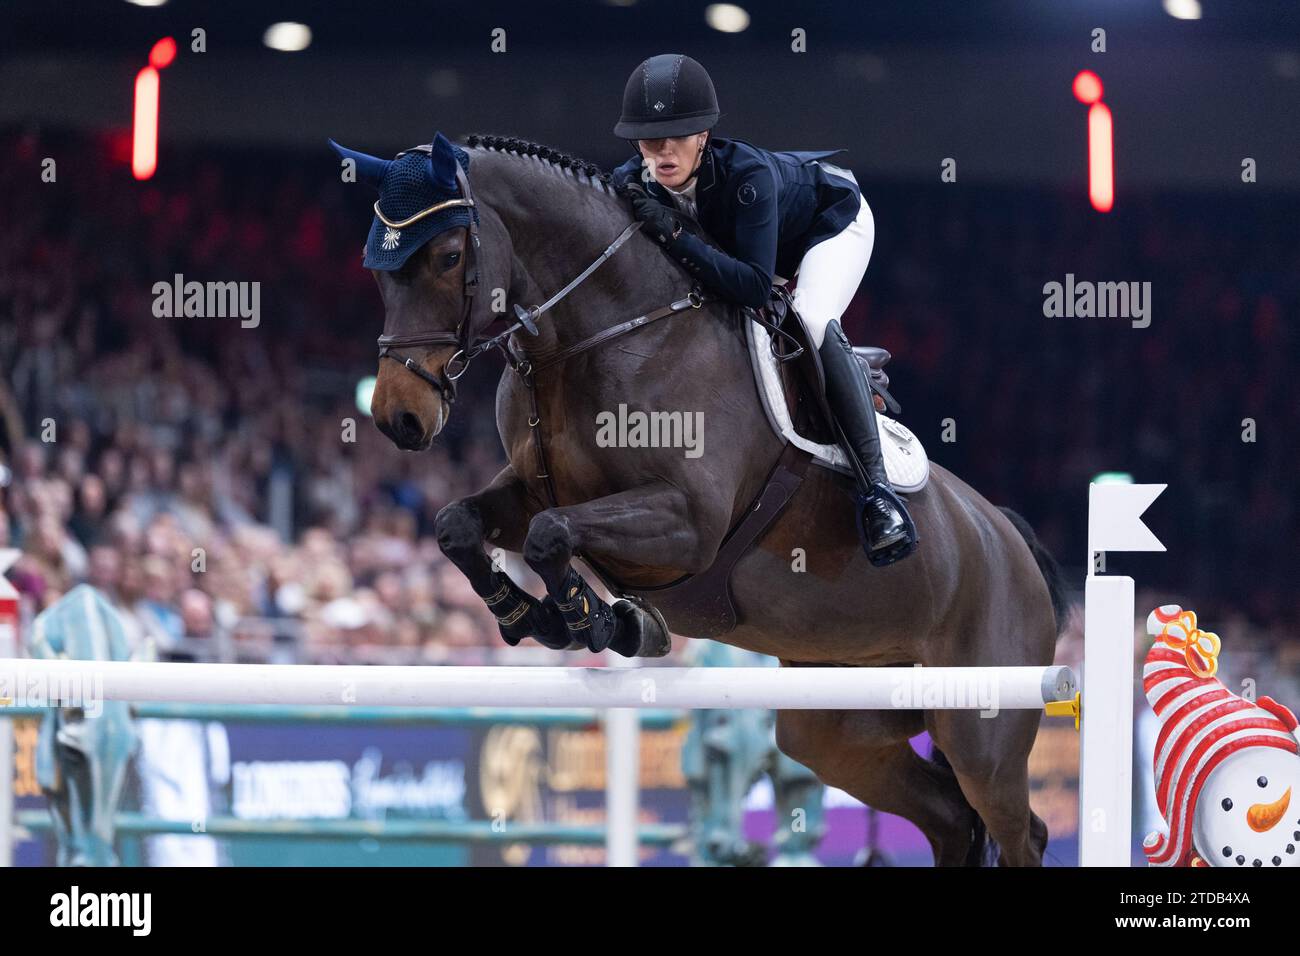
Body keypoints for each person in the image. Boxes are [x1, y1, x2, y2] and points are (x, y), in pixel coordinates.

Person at [609, 53, 915, 565]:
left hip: (828, 223)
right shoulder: (633, 180)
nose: (661, 151)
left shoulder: (747, 177)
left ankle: (878, 495)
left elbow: (752, 286)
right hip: (750, 250)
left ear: (703, 135)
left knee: (812, 323)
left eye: (676, 137)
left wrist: (670, 229)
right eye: (648, 140)